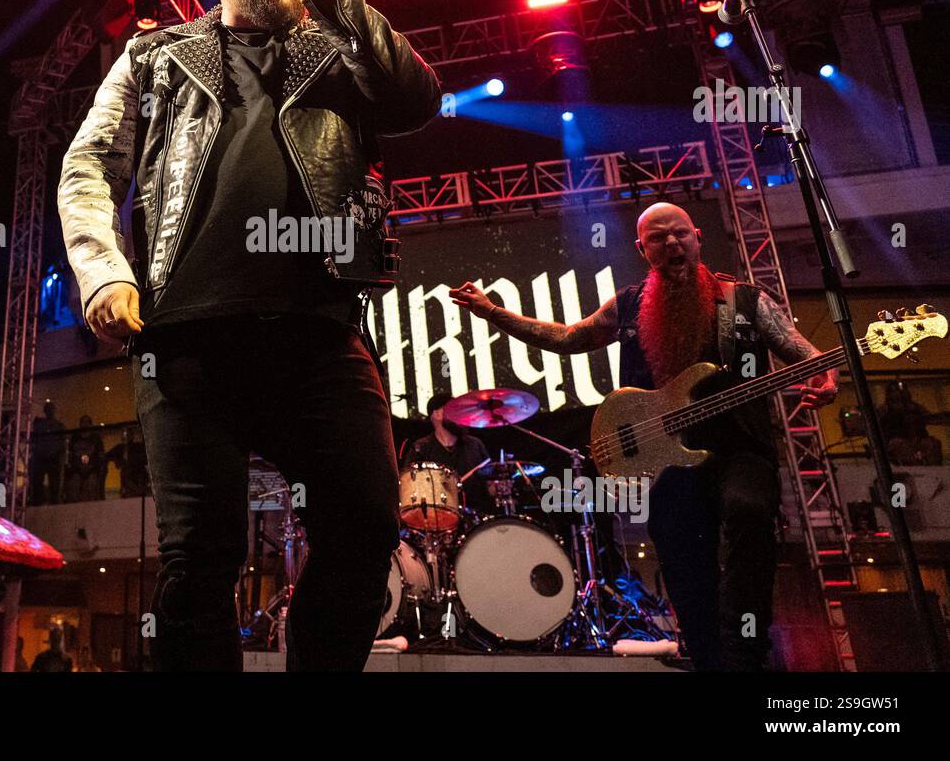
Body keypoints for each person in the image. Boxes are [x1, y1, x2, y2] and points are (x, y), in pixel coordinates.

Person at [57, 0, 440, 671]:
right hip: (186, 337)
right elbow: (89, 163)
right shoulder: (154, 56)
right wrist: (101, 271)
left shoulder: (340, 53)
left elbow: (417, 98)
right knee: (199, 564)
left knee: (365, 532)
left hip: (319, 331)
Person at [450, 201, 838, 671]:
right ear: (642, 248)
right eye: (658, 237)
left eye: (680, 234)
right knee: (679, 551)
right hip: (667, 456)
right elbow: (567, 338)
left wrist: (823, 373)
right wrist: (494, 313)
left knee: (748, 511)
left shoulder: (746, 302)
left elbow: (798, 348)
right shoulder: (630, 303)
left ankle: (744, 650)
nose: (672, 243)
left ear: (697, 237)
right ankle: (709, 656)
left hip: (739, 446)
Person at [402, 392, 494, 516]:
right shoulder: (421, 448)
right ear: (437, 414)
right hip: (438, 520)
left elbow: (491, 484)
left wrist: (497, 487)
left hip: (477, 521)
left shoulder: (475, 445)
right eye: (454, 409)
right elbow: (410, 490)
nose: (460, 415)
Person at [880, 381, 943, 466]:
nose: (900, 393)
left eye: (903, 390)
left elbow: (930, 417)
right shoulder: (884, 409)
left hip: (918, 439)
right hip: (896, 440)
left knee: (933, 443)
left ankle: (934, 470)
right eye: (895, 391)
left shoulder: (916, 407)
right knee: (899, 445)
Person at [28, 401, 67, 505]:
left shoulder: (59, 426)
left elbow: (62, 443)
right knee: (38, 485)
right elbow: (34, 440)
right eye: (48, 409)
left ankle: (53, 504)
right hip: (41, 458)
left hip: (53, 459)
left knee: (54, 485)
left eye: (51, 409)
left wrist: (60, 457)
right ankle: (37, 503)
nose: (50, 411)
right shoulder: (40, 425)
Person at [65, 415, 106, 501]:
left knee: (91, 484)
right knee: (74, 485)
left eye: (87, 422)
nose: (85, 424)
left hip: (92, 469)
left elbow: (100, 455)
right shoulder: (75, 438)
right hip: (77, 469)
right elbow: (70, 454)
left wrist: (95, 467)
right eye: (83, 422)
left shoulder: (96, 438)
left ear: (90, 424)